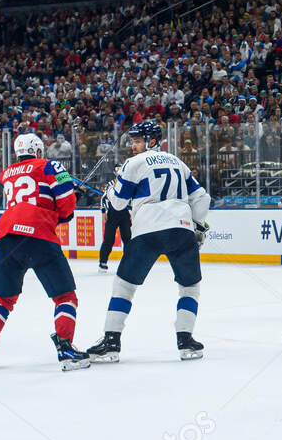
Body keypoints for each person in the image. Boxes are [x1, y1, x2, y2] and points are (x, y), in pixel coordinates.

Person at [84, 120, 210, 362]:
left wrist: (111, 190)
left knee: (124, 286)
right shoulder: (178, 163)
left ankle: (111, 341)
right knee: (190, 287)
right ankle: (186, 341)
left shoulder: (134, 163)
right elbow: (202, 198)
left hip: (147, 231)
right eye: (132, 141)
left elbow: (119, 205)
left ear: (152, 141)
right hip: (181, 230)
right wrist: (198, 227)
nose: (133, 146)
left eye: (138, 141)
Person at [0, 133, 89, 371]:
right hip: (38, 235)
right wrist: (73, 196)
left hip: (8, 236)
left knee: (3, 298)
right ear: (38, 151)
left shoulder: (6, 173)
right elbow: (65, 204)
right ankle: (65, 346)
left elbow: (34, 195)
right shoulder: (51, 165)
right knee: (65, 297)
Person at [97, 174, 131, 272]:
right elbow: (103, 198)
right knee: (109, 239)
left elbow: (132, 199)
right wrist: (103, 211)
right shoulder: (111, 184)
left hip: (124, 213)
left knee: (128, 238)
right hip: (112, 214)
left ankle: (128, 263)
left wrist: (132, 212)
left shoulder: (128, 183)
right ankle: (102, 262)